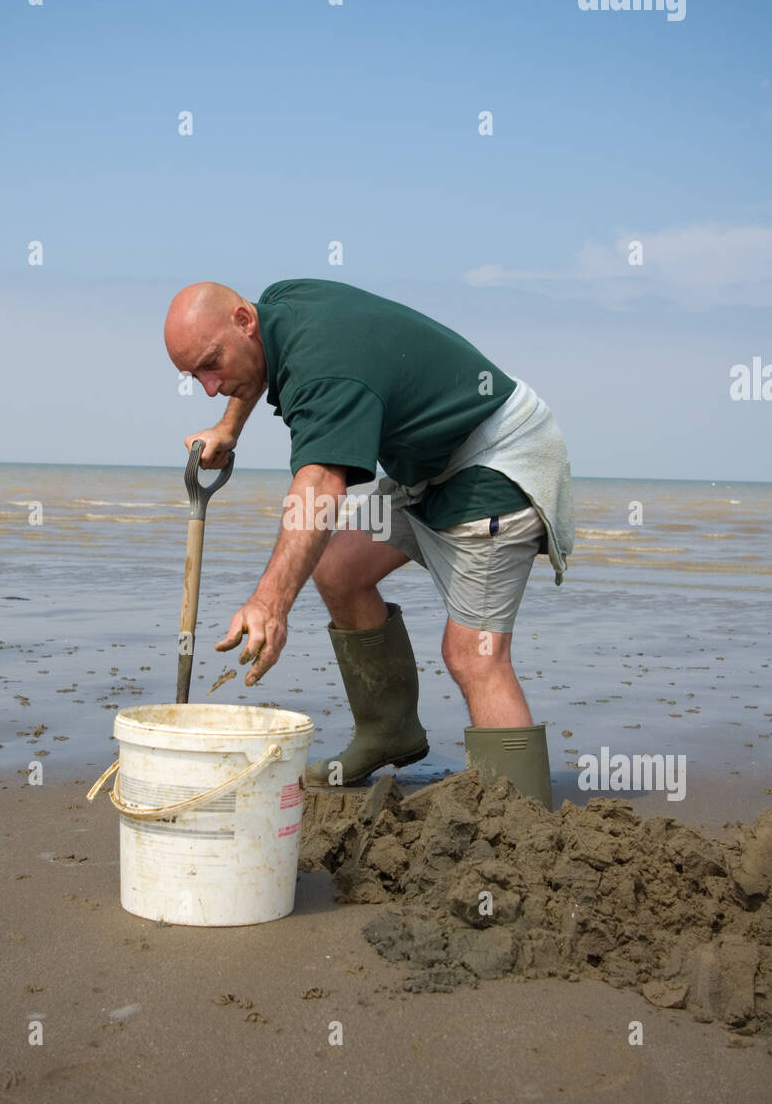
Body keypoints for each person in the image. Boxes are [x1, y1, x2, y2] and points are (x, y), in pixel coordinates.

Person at [164, 278, 574, 806]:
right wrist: (229, 429)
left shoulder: (326, 369)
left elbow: (320, 489)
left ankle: (524, 821)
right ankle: (390, 730)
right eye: (195, 373)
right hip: (426, 471)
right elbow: (249, 373)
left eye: (211, 363)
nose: (211, 386)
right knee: (338, 567)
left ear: (245, 321)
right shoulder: (279, 305)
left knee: (474, 654)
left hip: (494, 460)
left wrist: (270, 602)